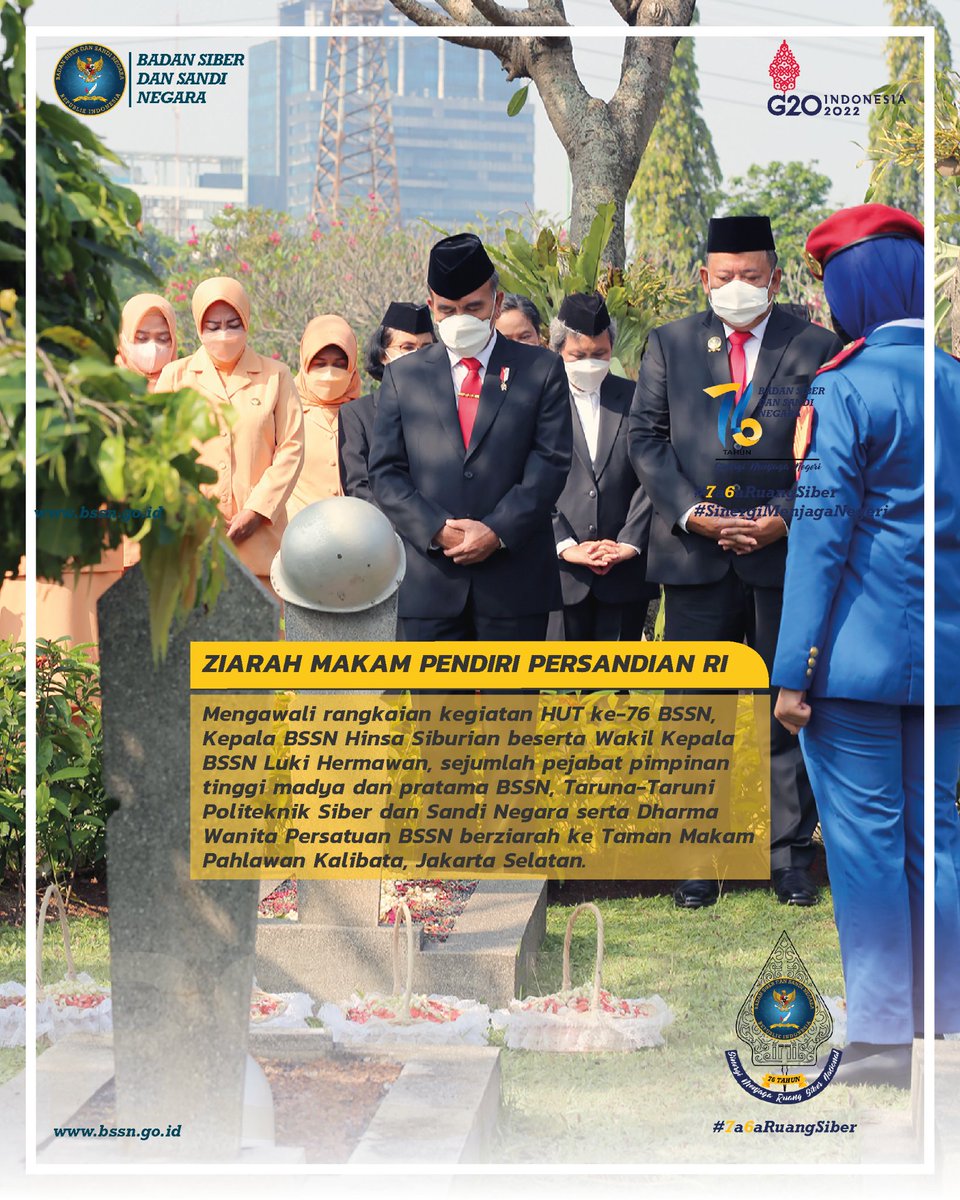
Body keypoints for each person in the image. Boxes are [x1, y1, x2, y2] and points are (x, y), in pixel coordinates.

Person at [773, 204, 960, 1088]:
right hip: (949, 661)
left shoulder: (842, 389)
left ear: (850, 288)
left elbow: (818, 540)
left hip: (853, 663)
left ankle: (886, 1038)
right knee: (940, 839)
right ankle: (948, 1027)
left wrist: (791, 670)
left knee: (866, 842)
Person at [629, 214, 841, 910]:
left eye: (753, 277)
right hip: (693, 562)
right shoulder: (670, 345)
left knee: (785, 707)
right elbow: (647, 440)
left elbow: (829, 449)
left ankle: (787, 857)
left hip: (783, 562)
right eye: (726, 278)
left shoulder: (815, 346)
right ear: (704, 279)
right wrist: (696, 513)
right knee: (695, 711)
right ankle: (697, 860)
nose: (739, 288)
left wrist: (783, 516)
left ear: (775, 278)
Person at [369, 232, 572, 640]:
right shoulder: (402, 376)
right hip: (430, 584)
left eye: (473, 307)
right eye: (448, 309)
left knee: (510, 707)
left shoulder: (540, 370)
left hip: (514, 584)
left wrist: (496, 530)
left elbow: (549, 464)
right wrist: (436, 528)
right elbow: (386, 473)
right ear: (431, 306)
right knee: (436, 707)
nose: (460, 319)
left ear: (496, 304)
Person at [155, 276, 304, 585]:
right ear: (198, 327)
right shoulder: (175, 376)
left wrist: (257, 511)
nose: (224, 334)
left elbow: (292, 448)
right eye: (213, 326)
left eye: (233, 323)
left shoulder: (276, 376)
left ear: (246, 321)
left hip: (260, 540)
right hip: (191, 537)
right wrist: (197, 510)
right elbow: (160, 451)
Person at [549, 292, 658, 640]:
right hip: (560, 575)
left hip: (624, 574)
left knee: (615, 690)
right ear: (559, 352)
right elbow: (526, 477)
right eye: (578, 355)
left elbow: (653, 470)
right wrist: (565, 544)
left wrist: (628, 541)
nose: (590, 362)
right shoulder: (537, 402)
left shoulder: (637, 397)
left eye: (599, 354)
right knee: (560, 691)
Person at [340, 302, 435, 505]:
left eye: (427, 348)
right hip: (383, 531)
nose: (417, 355)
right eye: (407, 347)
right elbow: (358, 487)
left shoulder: (447, 407)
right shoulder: (356, 414)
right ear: (383, 354)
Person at [287, 314, 362, 520]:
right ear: (304, 362)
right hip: (297, 535)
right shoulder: (285, 413)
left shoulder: (366, 415)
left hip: (356, 537)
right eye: (320, 364)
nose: (330, 373)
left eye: (339, 365)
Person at [114, 292, 178, 391]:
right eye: (141, 338)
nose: (153, 347)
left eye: (163, 339)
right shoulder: (107, 381)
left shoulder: (186, 383)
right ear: (124, 339)